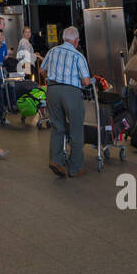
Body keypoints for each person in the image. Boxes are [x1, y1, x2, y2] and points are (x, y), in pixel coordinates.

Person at [42, 27, 92, 177]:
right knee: (76, 129)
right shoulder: (78, 55)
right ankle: (75, 167)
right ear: (76, 41)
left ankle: (56, 160)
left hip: (52, 91)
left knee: (58, 127)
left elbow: (41, 71)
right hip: (71, 93)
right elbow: (85, 81)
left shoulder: (52, 51)